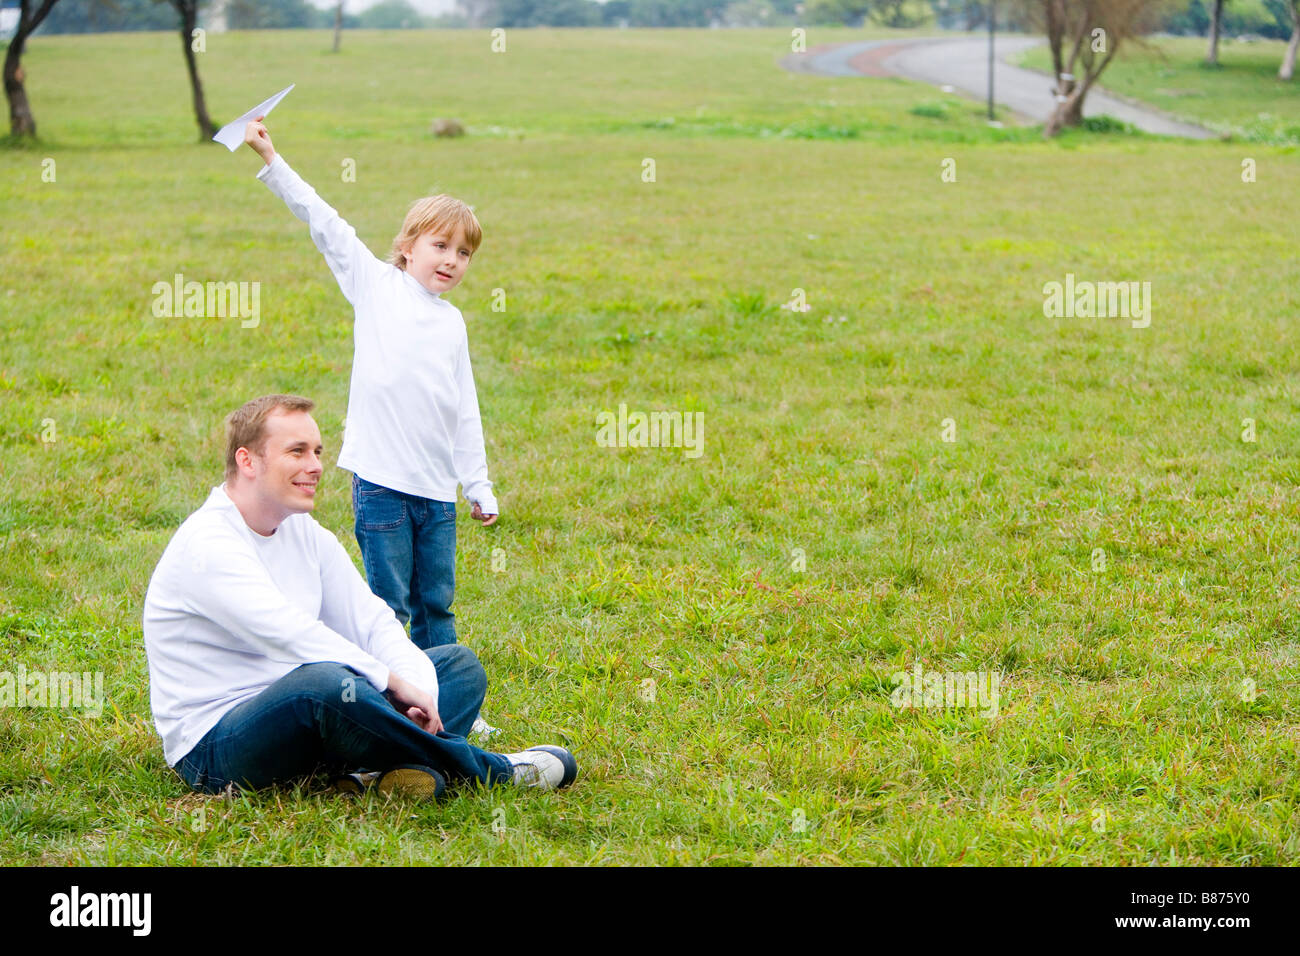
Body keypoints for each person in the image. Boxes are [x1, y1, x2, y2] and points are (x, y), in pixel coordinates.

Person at [142, 394, 576, 797]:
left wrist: (416, 689)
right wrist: (390, 683)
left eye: (317, 452)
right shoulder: (208, 544)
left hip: (312, 719)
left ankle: (372, 775)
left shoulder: (304, 531)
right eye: (297, 451)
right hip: (219, 746)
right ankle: (493, 771)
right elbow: (291, 635)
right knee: (329, 683)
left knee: (457, 668)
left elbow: (371, 622)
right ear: (247, 460)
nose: (315, 465)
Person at [242, 117, 495, 665]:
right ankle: (390, 707)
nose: (451, 260)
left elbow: (464, 410)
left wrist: (476, 482)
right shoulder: (375, 286)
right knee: (389, 608)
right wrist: (271, 158)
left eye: (464, 253)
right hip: (382, 485)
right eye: (441, 245)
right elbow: (324, 221)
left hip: (437, 494)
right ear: (407, 247)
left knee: (437, 606)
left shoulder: (453, 324)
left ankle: (445, 709)